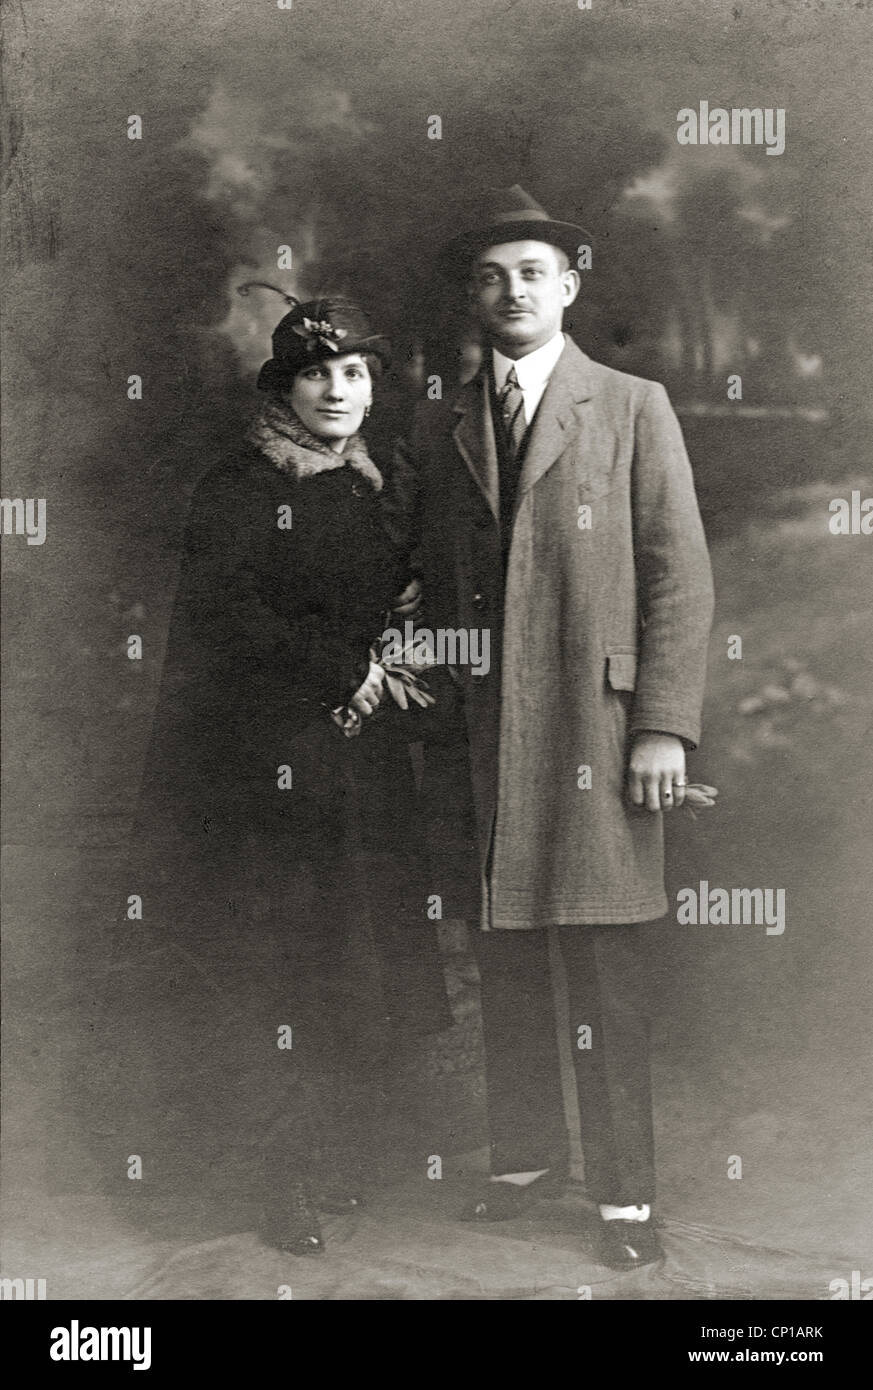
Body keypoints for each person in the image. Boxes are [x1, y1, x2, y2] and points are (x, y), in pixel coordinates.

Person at [400, 186, 714, 1269]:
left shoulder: (631, 406)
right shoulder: (441, 421)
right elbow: (421, 576)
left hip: (597, 726)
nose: (512, 292)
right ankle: (525, 1160)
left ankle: (625, 1197)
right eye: (491, 278)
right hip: (482, 733)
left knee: (603, 965)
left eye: (532, 273)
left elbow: (678, 578)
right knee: (504, 951)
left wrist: (663, 727)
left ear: (570, 288)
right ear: (473, 296)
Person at [131, 293, 449, 1256]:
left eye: (352, 373)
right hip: (262, 761)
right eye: (316, 374)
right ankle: (281, 1180)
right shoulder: (238, 484)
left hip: (357, 763)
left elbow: (392, 600)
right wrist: (343, 671)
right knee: (275, 959)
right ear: (284, 390)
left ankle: (337, 1154)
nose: (336, 391)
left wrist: (398, 647)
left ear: (372, 386)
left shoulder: (369, 483)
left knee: (352, 951)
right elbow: (225, 619)